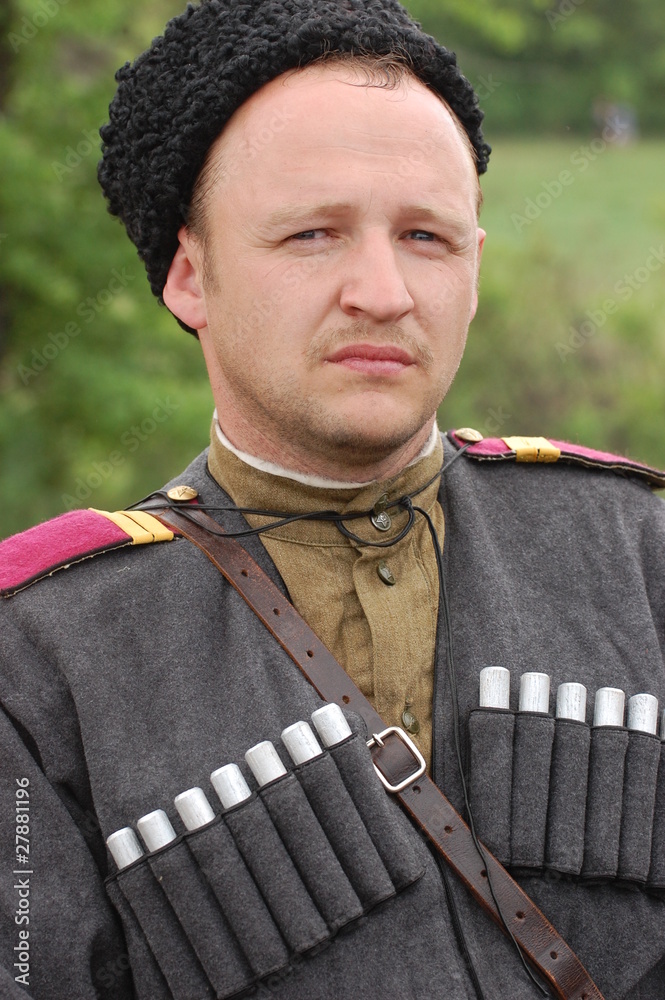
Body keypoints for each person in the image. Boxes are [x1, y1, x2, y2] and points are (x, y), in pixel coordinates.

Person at [1, 1, 664, 998]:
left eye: (426, 237)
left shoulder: (635, 546)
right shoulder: (44, 650)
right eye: (313, 234)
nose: (381, 290)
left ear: (473, 269)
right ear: (190, 275)